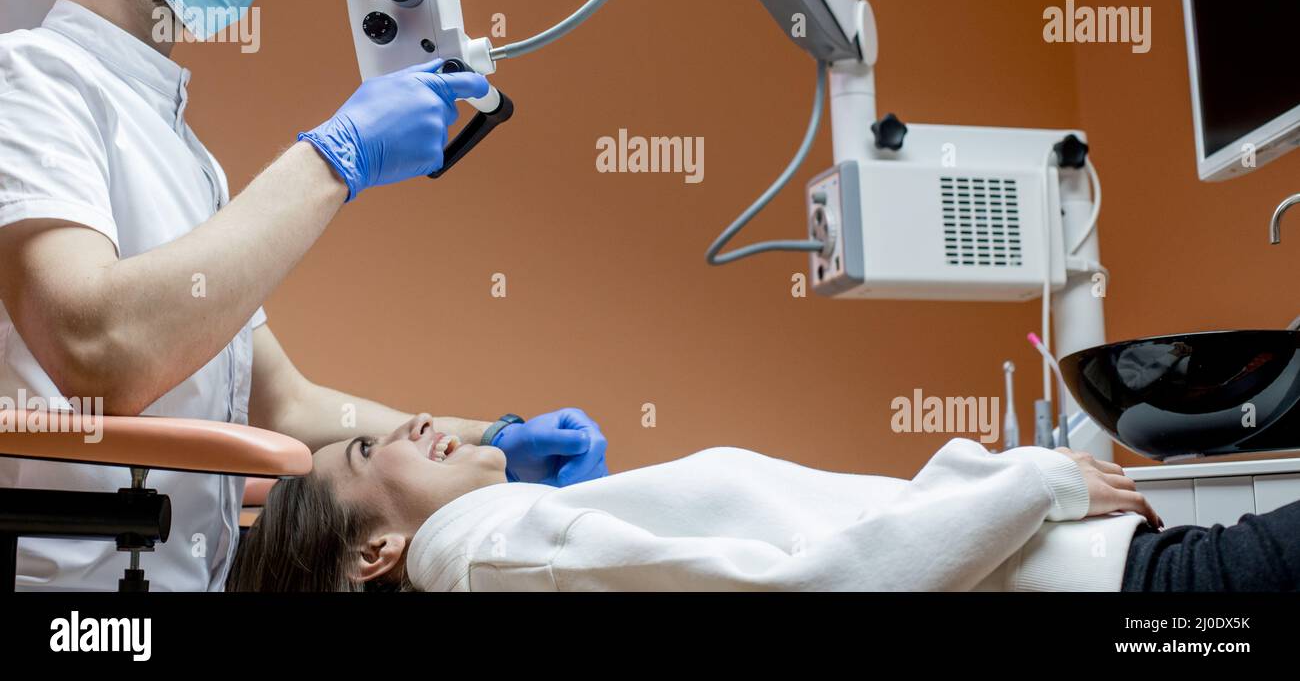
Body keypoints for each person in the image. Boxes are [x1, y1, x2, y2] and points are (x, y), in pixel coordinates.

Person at [0, 0, 607, 592]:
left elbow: (277, 402)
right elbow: (96, 351)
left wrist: (492, 437)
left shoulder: (189, 159)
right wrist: (335, 155)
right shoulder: (32, 79)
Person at [232, 415, 1296, 592]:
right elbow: (824, 587)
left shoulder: (508, 538)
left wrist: (987, 477)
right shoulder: (491, 547)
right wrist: (1038, 479)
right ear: (376, 549)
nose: (414, 418)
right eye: (369, 448)